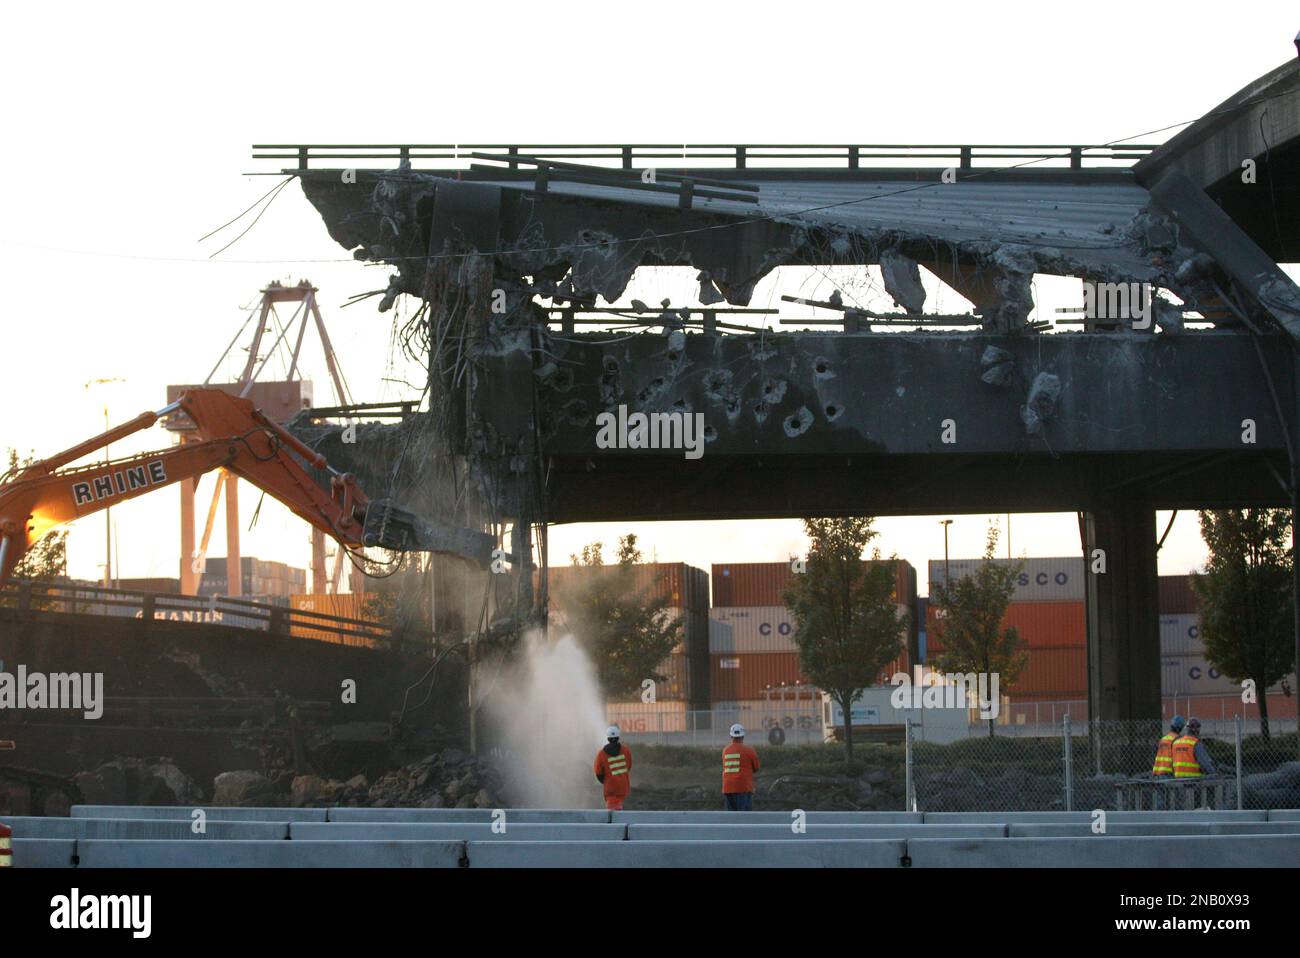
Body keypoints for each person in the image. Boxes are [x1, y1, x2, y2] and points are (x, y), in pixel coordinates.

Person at [722, 723, 760, 811]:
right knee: (744, 818)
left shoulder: (725, 750)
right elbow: (756, 768)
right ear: (743, 736)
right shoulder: (749, 750)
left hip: (727, 787)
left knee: (731, 818)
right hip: (743, 787)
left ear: (731, 736)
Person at [593, 725, 632, 811]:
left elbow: (598, 772)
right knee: (620, 809)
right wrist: (622, 776)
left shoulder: (602, 754)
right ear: (618, 737)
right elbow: (628, 766)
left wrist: (605, 781)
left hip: (611, 789)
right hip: (623, 786)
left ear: (607, 738)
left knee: (613, 814)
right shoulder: (626, 751)